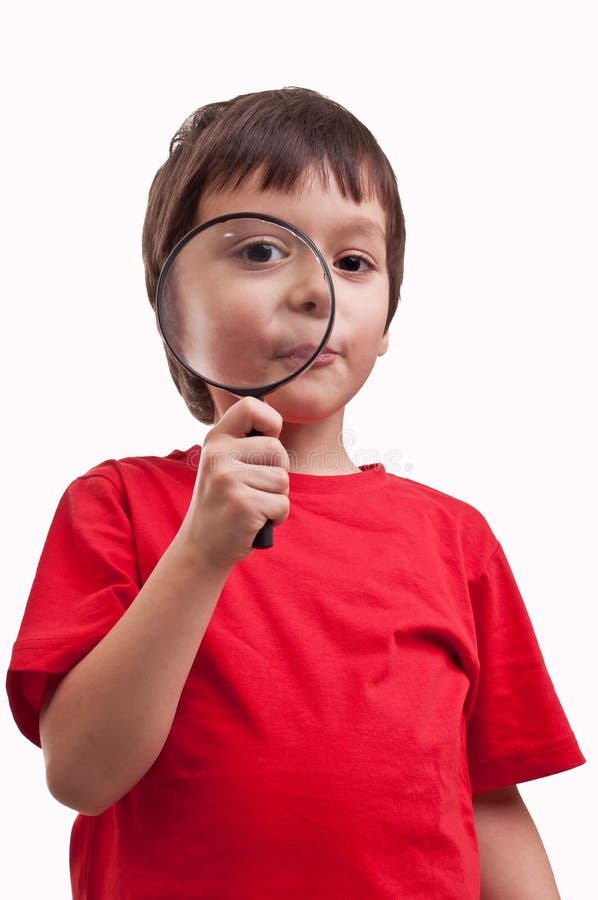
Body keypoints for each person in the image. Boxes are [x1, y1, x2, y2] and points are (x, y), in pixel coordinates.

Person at [6, 87, 585, 899]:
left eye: (353, 263)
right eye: (259, 251)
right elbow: (83, 771)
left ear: (385, 325)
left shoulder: (458, 542)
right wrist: (201, 553)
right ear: (176, 302)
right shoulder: (116, 506)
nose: (317, 291)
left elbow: (489, 801)